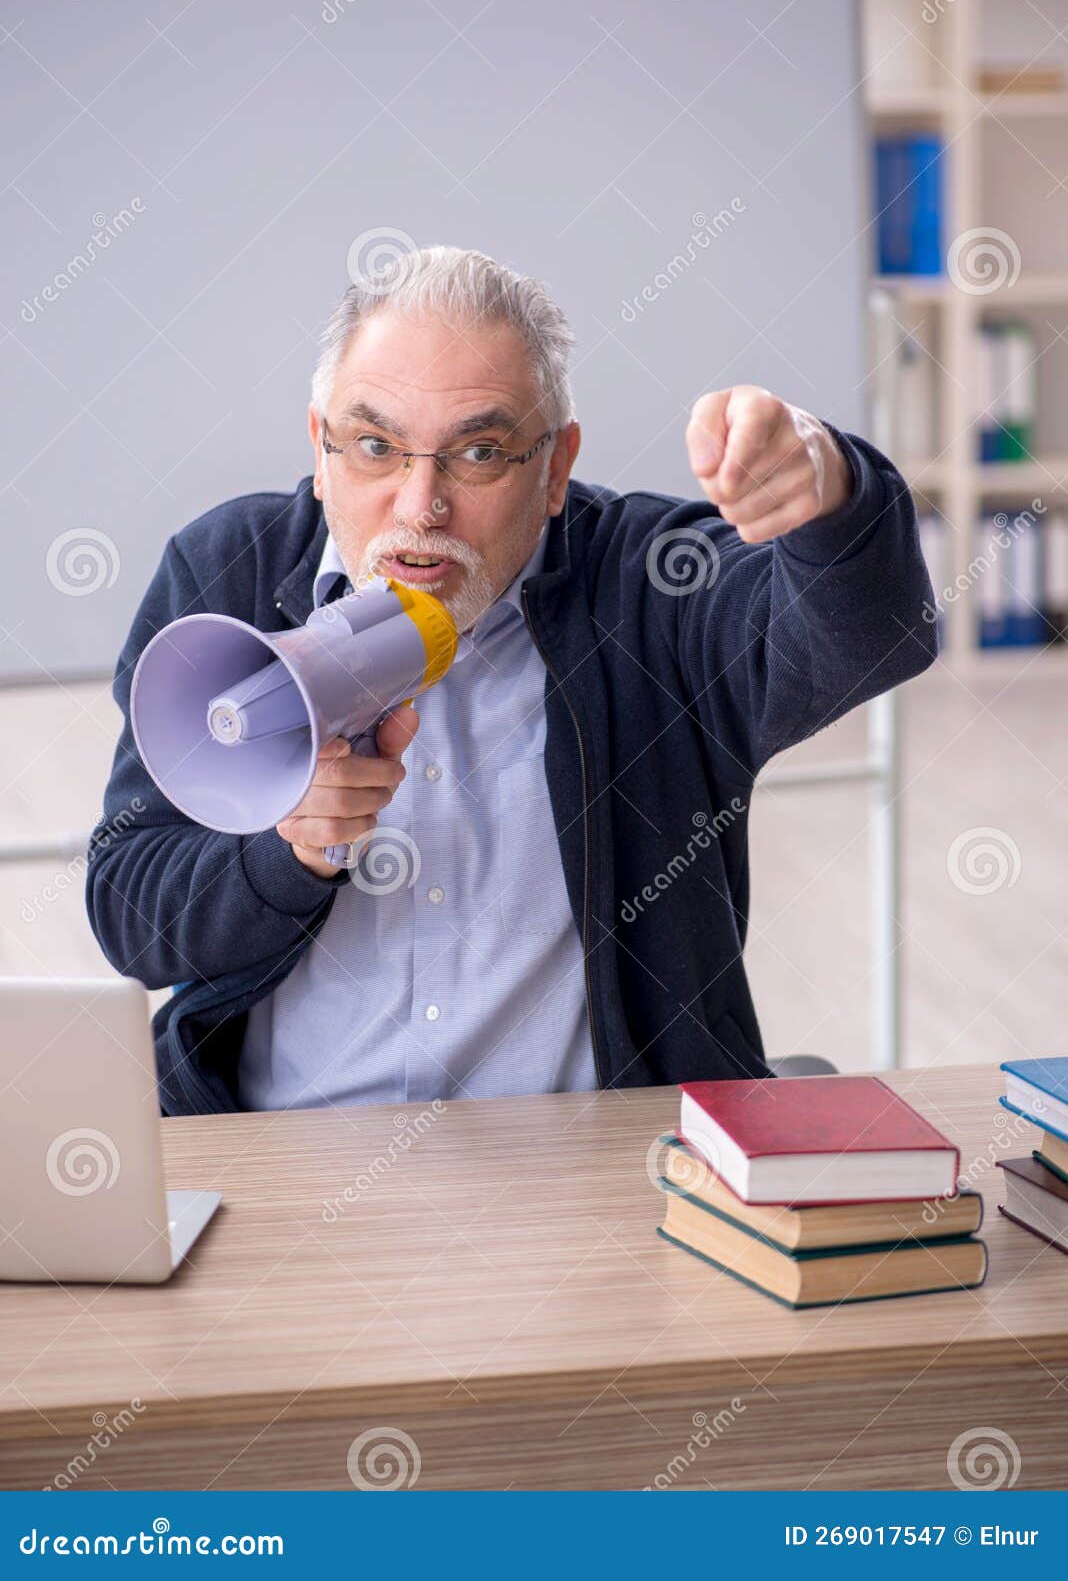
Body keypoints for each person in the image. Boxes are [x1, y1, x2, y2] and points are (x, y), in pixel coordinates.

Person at [86, 245, 937, 1115]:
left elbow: (874, 636)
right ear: (321, 445)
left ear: (557, 466)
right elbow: (131, 911)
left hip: (599, 1168)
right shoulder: (227, 570)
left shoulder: (648, 583)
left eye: (480, 453)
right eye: (376, 446)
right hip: (285, 1155)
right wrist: (289, 853)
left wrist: (829, 489)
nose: (421, 507)